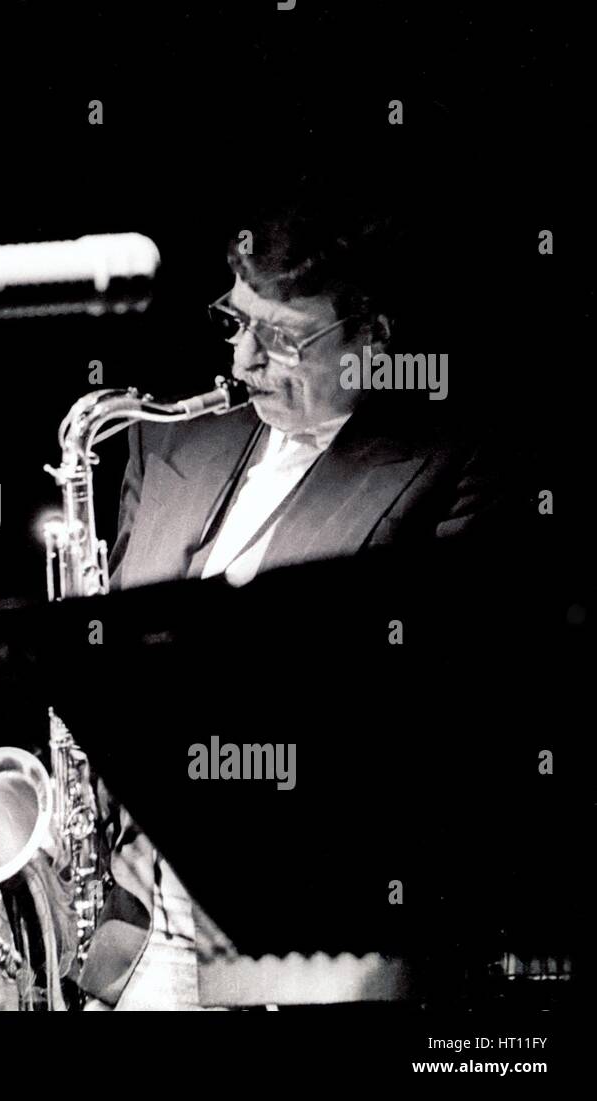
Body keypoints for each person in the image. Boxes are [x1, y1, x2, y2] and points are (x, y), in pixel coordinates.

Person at [87, 194, 513, 1010]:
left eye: (282, 338)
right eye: (235, 321)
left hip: (301, 936)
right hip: (126, 922)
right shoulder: (164, 433)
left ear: (373, 339)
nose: (244, 361)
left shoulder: (457, 466)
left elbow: (440, 720)